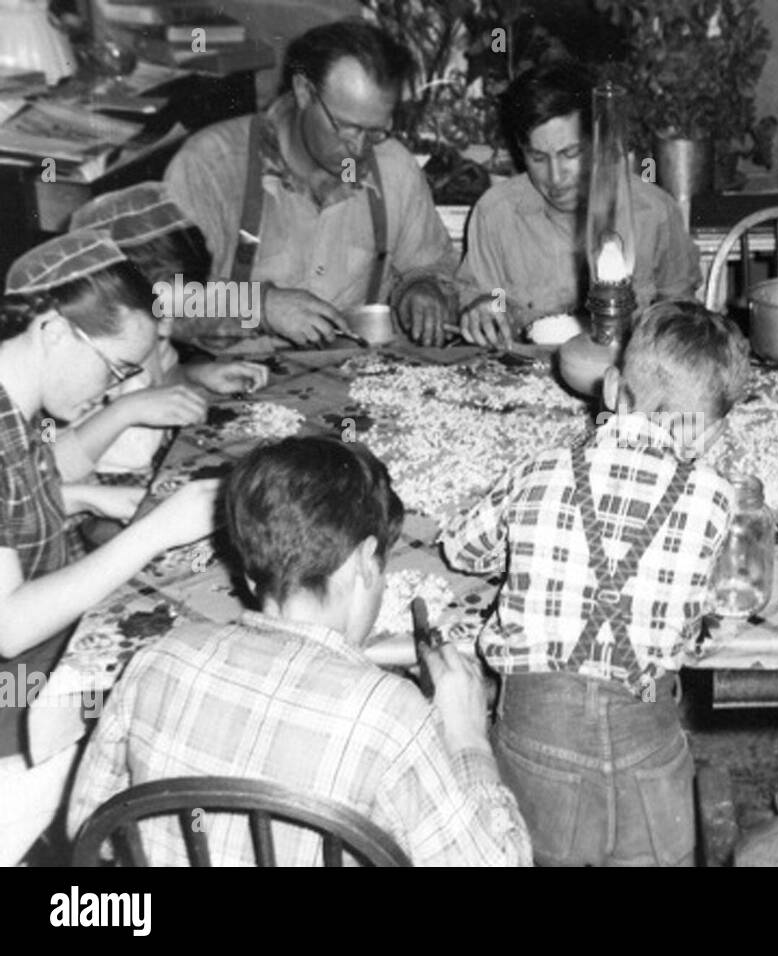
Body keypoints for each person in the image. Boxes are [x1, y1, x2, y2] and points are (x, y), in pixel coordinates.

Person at [69, 436, 531, 866]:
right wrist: (469, 737)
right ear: (366, 561)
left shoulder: (158, 658)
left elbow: (89, 827)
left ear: (250, 572)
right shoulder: (392, 719)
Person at [441, 300, 748, 865]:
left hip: (537, 736)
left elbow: (461, 549)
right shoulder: (717, 499)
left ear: (611, 389)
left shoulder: (539, 470)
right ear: (711, 435)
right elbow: (721, 599)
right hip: (647, 740)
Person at [0, 231, 217, 865]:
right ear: (54, 330)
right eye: (117, 368)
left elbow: (25, 488)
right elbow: (9, 624)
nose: (116, 387)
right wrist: (155, 529)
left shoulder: (15, 406)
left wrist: (92, 498)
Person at [164, 19, 459, 349]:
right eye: (346, 128)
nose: (359, 148)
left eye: (375, 131)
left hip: (350, 381)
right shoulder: (211, 165)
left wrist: (424, 289)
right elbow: (159, 298)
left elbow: (433, 267)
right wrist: (259, 306)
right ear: (304, 91)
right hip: (235, 379)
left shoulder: (393, 167)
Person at [455, 61, 701, 348]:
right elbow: (487, 295)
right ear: (521, 151)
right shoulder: (496, 214)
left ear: (595, 143)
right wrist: (487, 307)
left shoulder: (653, 211)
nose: (555, 177)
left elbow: (681, 305)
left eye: (570, 153)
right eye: (537, 158)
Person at [56, 183, 271, 480]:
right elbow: (44, 470)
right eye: (160, 311)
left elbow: (162, 375)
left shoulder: (147, 326)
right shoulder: (80, 353)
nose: (168, 327)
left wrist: (198, 375)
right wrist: (124, 411)